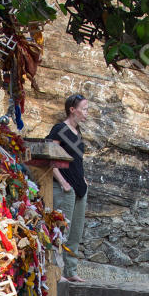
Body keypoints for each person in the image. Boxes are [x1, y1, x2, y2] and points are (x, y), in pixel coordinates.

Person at [47, 93, 89, 277]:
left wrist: (84, 179)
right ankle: (56, 272)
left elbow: (77, 161)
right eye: (84, 109)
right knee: (61, 230)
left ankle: (71, 271)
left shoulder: (78, 133)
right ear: (72, 110)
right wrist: (62, 181)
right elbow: (49, 156)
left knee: (75, 233)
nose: (86, 113)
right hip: (65, 187)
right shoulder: (59, 130)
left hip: (79, 188)